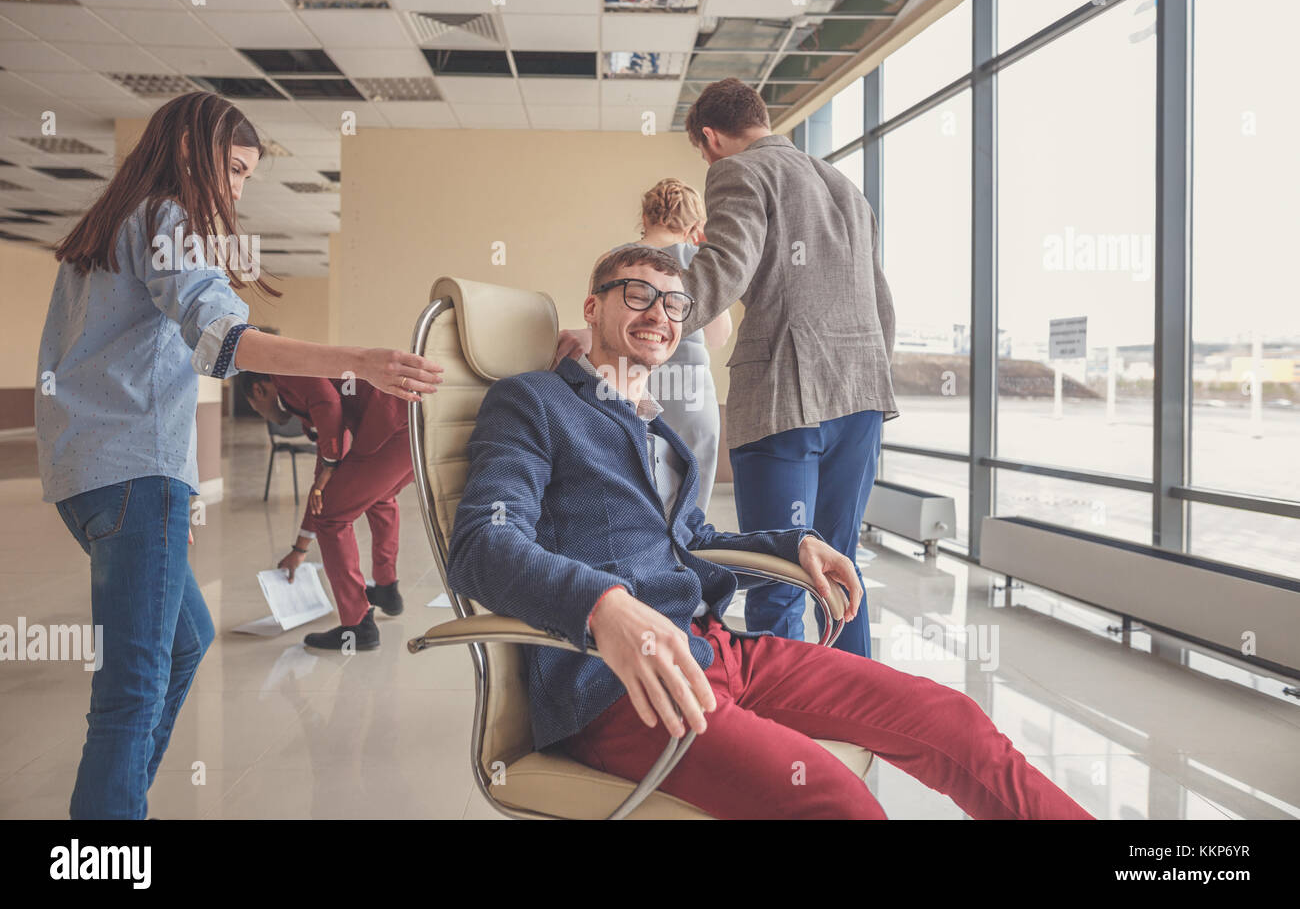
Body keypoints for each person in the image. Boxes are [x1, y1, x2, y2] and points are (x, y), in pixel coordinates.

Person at [447, 247, 1091, 819]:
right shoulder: (533, 401)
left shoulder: (656, 428)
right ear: (593, 307)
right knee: (839, 803)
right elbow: (483, 546)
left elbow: (688, 538)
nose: (658, 314)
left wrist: (791, 543)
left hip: (721, 649)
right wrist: (603, 605)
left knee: (952, 722)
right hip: (622, 686)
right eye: (636, 294)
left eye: (674, 303)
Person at [35, 92, 443, 819]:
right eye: (233, 168)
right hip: (135, 474)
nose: (237, 189)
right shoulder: (167, 217)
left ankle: (122, 805)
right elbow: (225, 339)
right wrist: (361, 357)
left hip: (89, 476)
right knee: (131, 690)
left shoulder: (106, 228)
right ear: (189, 151)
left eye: (248, 175)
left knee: (185, 640)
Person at [670, 77, 897, 660]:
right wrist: (869, 385)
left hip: (785, 399)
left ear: (711, 138)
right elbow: (881, 302)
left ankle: (786, 730)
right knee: (839, 567)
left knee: (781, 570)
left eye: (701, 148)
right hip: (861, 398)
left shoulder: (739, 172)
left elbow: (723, 270)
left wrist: (641, 322)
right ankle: (858, 715)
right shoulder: (847, 188)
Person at [555, 178, 731, 512]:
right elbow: (718, 337)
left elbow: (597, 322)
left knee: (628, 490)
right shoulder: (699, 260)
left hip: (622, 383)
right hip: (690, 392)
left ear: (645, 217)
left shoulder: (616, 259)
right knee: (688, 510)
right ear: (695, 226)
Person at [240, 370, 413, 650]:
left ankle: (358, 626)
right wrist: (300, 548)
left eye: (254, 407)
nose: (261, 415)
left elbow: (328, 403)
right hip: (414, 422)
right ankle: (386, 588)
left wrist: (331, 465)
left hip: (394, 425)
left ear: (259, 390)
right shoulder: (298, 395)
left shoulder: (288, 375)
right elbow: (327, 466)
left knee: (333, 518)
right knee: (380, 497)